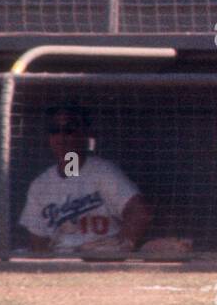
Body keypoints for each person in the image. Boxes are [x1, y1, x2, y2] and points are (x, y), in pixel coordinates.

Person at [18, 106, 153, 258]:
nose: (61, 137)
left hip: (100, 259)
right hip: (61, 262)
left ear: (84, 135)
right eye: (55, 131)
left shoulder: (102, 171)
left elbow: (140, 212)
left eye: (69, 130)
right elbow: (38, 240)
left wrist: (122, 246)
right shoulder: (40, 185)